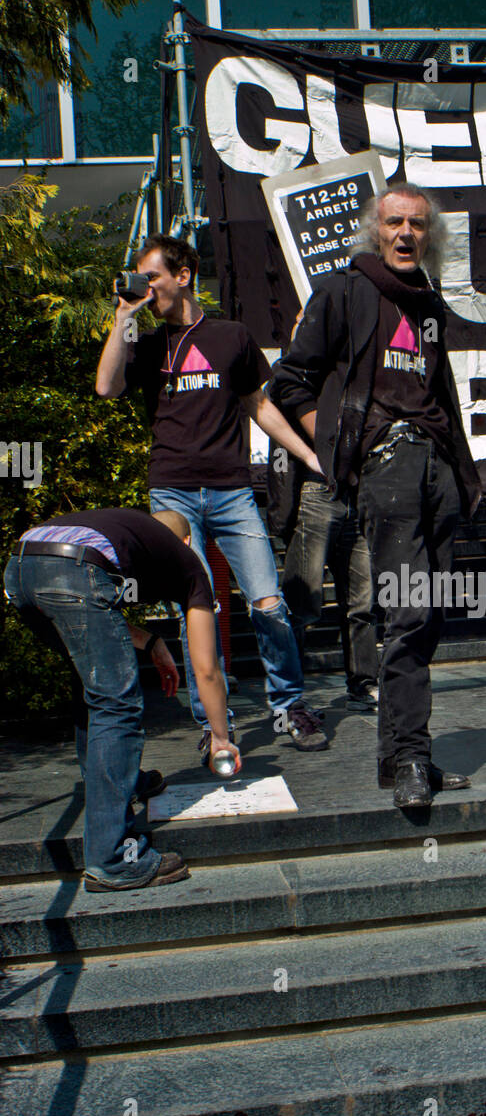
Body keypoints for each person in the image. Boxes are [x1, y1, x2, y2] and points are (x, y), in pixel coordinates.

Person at [269, 184, 482, 808]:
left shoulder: (429, 305)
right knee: (409, 612)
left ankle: (400, 756)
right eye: (395, 222)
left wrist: (460, 474)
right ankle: (413, 757)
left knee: (432, 611)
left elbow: (440, 396)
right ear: (376, 229)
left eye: (418, 223)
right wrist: (344, 448)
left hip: (436, 471)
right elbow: (289, 383)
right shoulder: (343, 291)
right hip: (386, 468)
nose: (406, 234)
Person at [95, 233, 328, 755]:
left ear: (183, 276)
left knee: (268, 603)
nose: (145, 286)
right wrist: (121, 320)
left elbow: (258, 405)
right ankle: (211, 722)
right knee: (195, 610)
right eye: (140, 277)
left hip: (231, 491)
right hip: (172, 495)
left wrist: (310, 454)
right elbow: (106, 387)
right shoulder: (145, 342)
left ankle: (289, 707)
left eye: (153, 276)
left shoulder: (231, 336)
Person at [3, 508, 240, 891]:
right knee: (118, 705)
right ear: (187, 541)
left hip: (20, 567)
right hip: (73, 571)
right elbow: (207, 669)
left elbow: (85, 598)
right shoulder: (189, 564)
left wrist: (151, 642)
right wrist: (221, 737)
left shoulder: (125, 534)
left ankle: (124, 784)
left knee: (94, 690)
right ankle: (113, 858)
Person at [267, 312, 379, 712]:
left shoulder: (347, 371)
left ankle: (363, 683)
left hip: (355, 492)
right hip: (315, 494)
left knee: (361, 602)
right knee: (303, 603)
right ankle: (290, 698)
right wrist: (283, 514)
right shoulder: (290, 373)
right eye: (303, 320)